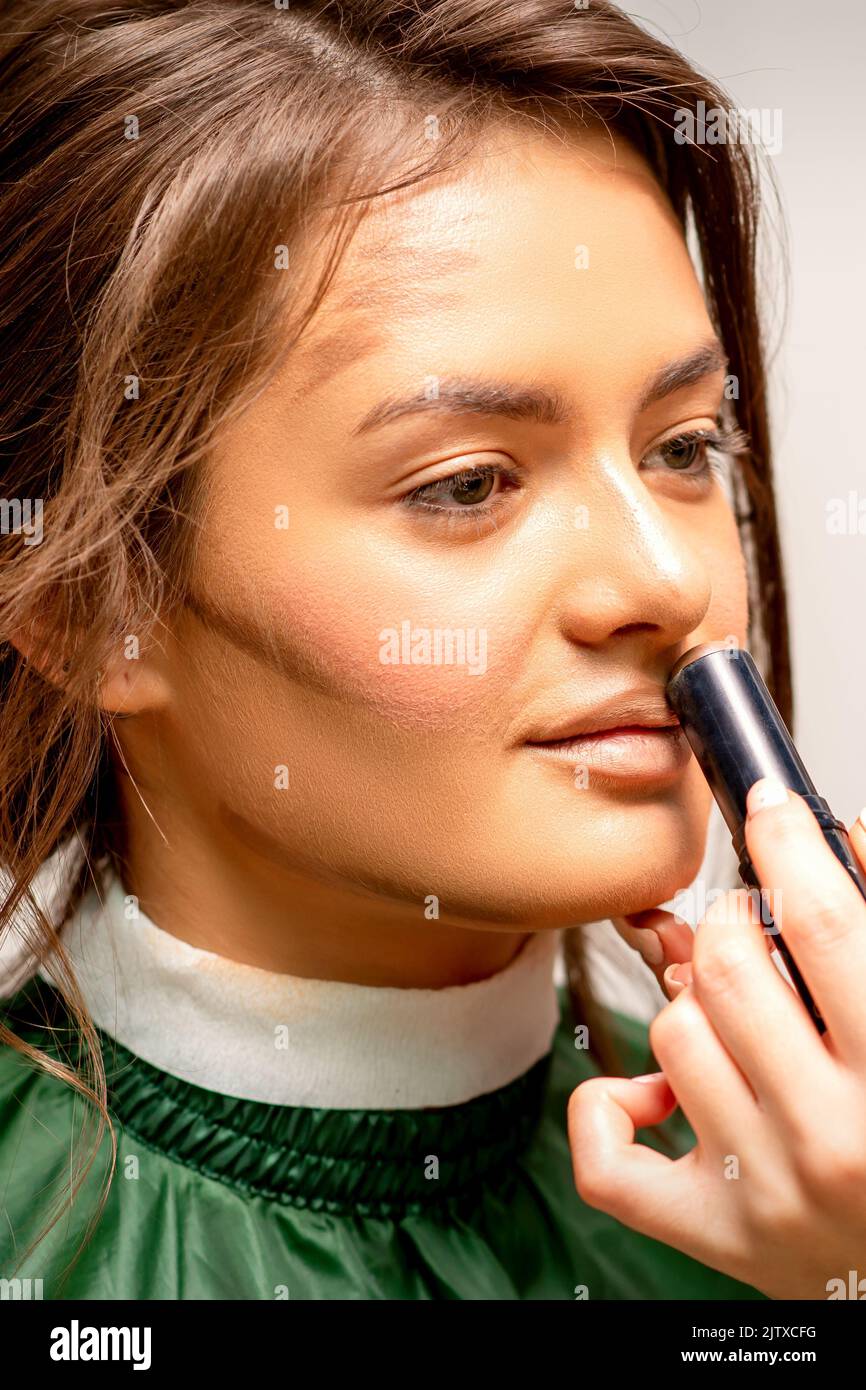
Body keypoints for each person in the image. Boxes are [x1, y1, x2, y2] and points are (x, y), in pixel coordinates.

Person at [1, 0, 862, 1301]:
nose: (668, 580)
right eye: (467, 484)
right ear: (84, 607)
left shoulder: (809, 1199)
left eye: (684, 446)